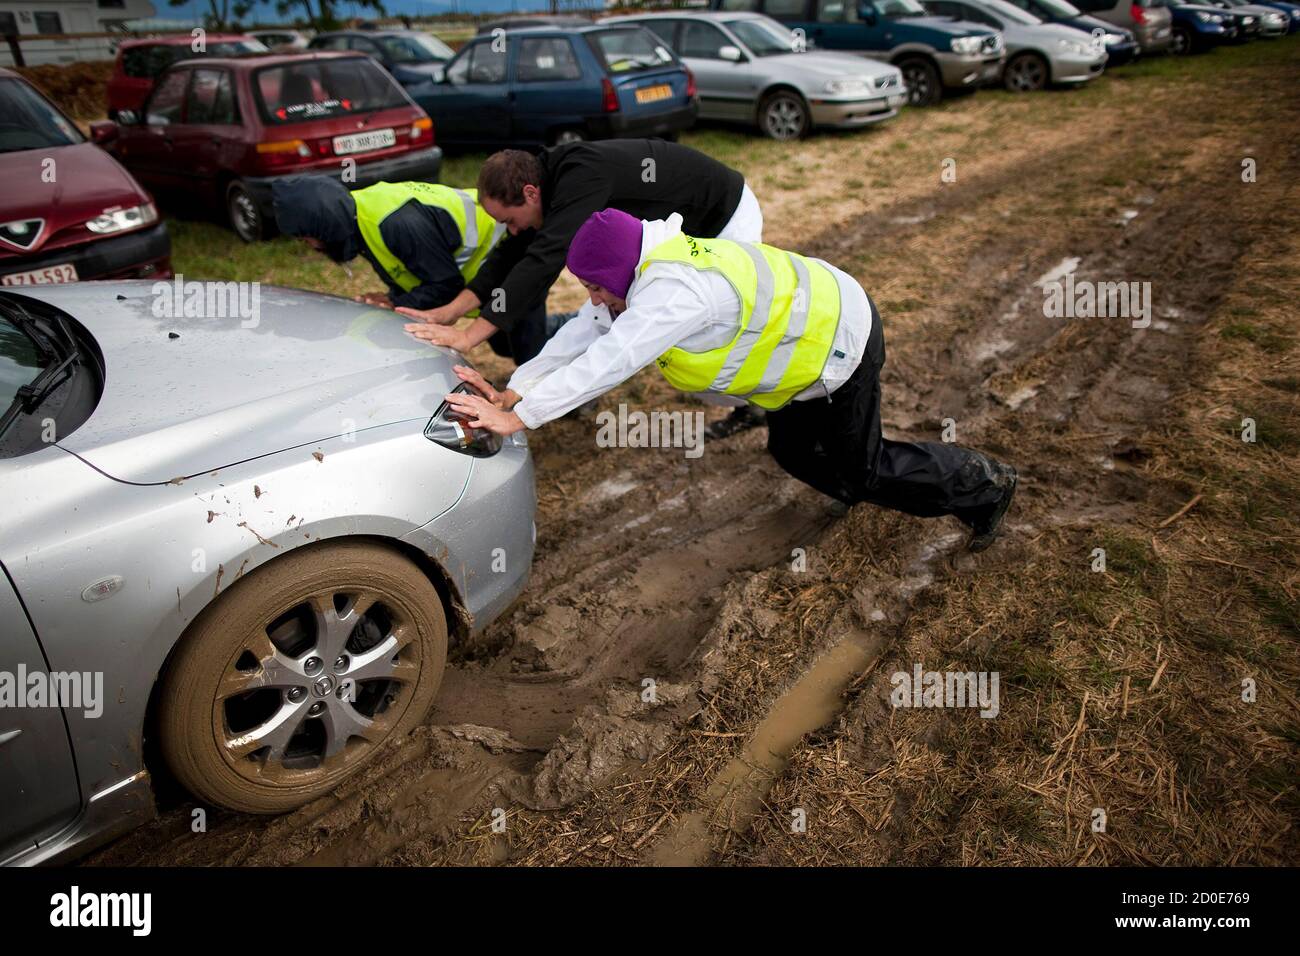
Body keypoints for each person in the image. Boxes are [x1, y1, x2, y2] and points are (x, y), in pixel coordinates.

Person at [434, 209, 1018, 552]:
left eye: (594, 286)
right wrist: (517, 387)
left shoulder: (674, 292)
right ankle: (854, 486)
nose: (592, 299)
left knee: (865, 466)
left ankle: (984, 483)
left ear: (618, 271)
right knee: (789, 450)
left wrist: (521, 418)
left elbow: (614, 357)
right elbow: (590, 329)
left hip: (840, 345)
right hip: (800, 361)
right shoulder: (643, 264)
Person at [396, 140, 768, 438]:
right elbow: (510, 253)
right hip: (673, 230)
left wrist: (471, 337)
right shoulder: (544, 182)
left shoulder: (581, 178)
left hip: (723, 215)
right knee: (609, 322)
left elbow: (543, 260)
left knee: (709, 334)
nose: (510, 230)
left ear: (529, 193)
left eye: (509, 220)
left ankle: (761, 400)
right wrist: (450, 314)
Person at [271, 176, 549, 363]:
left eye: (305, 236)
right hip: (488, 280)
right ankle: (566, 327)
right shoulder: (357, 217)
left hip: (515, 253)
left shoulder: (395, 224)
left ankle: (571, 394)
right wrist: (393, 297)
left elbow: (444, 285)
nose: (307, 244)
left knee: (527, 350)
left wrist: (396, 304)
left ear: (323, 225)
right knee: (504, 345)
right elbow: (412, 270)